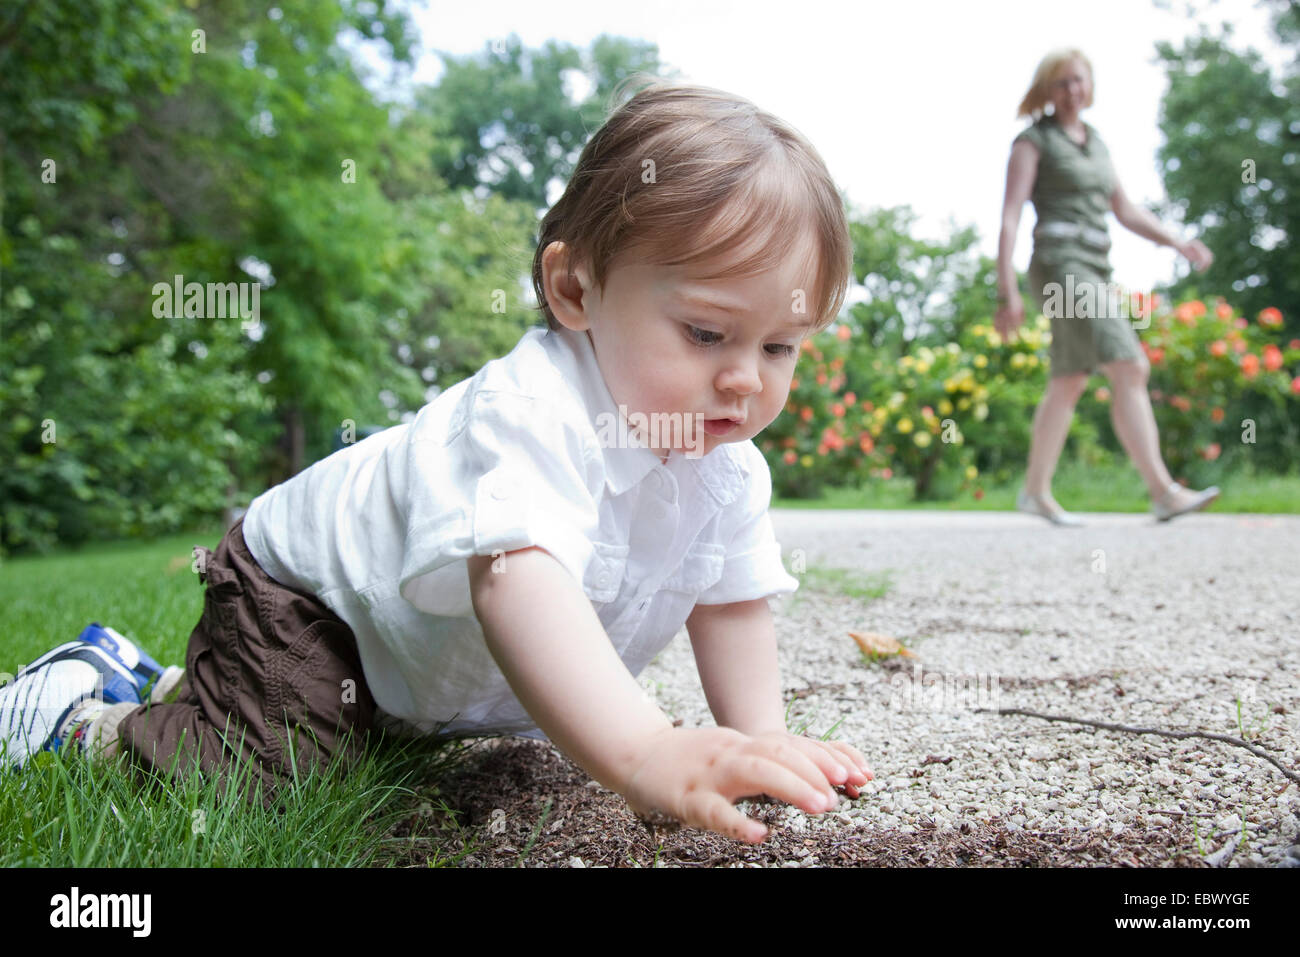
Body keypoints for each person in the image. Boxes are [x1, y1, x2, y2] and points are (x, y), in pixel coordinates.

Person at [0, 80, 872, 846]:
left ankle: (167, 677)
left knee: (369, 740)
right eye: (707, 332)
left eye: (783, 346)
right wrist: (643, 752)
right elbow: (516, 581)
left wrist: (761, 738)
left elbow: (731, 604)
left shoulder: (725, 465)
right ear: (575, 290)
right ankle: (79, 715)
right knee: (261, 778)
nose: (744, 378)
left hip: (400, 665)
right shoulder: (531, 416)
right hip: (308, 603)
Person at [995, 49, 1221, 525]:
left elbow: (1126, 210)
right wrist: (1006, 289)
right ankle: (1164, 492)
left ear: (1090, 85)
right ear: (1046, 89)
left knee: (1069, 379)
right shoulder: (1033, 141)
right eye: (1061, 82)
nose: (1072, 90)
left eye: (1078, 80)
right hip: (1060, 263)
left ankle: (1035, 491)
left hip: (1096, 265)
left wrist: (1178, 242)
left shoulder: (1096, 144)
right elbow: (1010, 216)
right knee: (1129, 363)